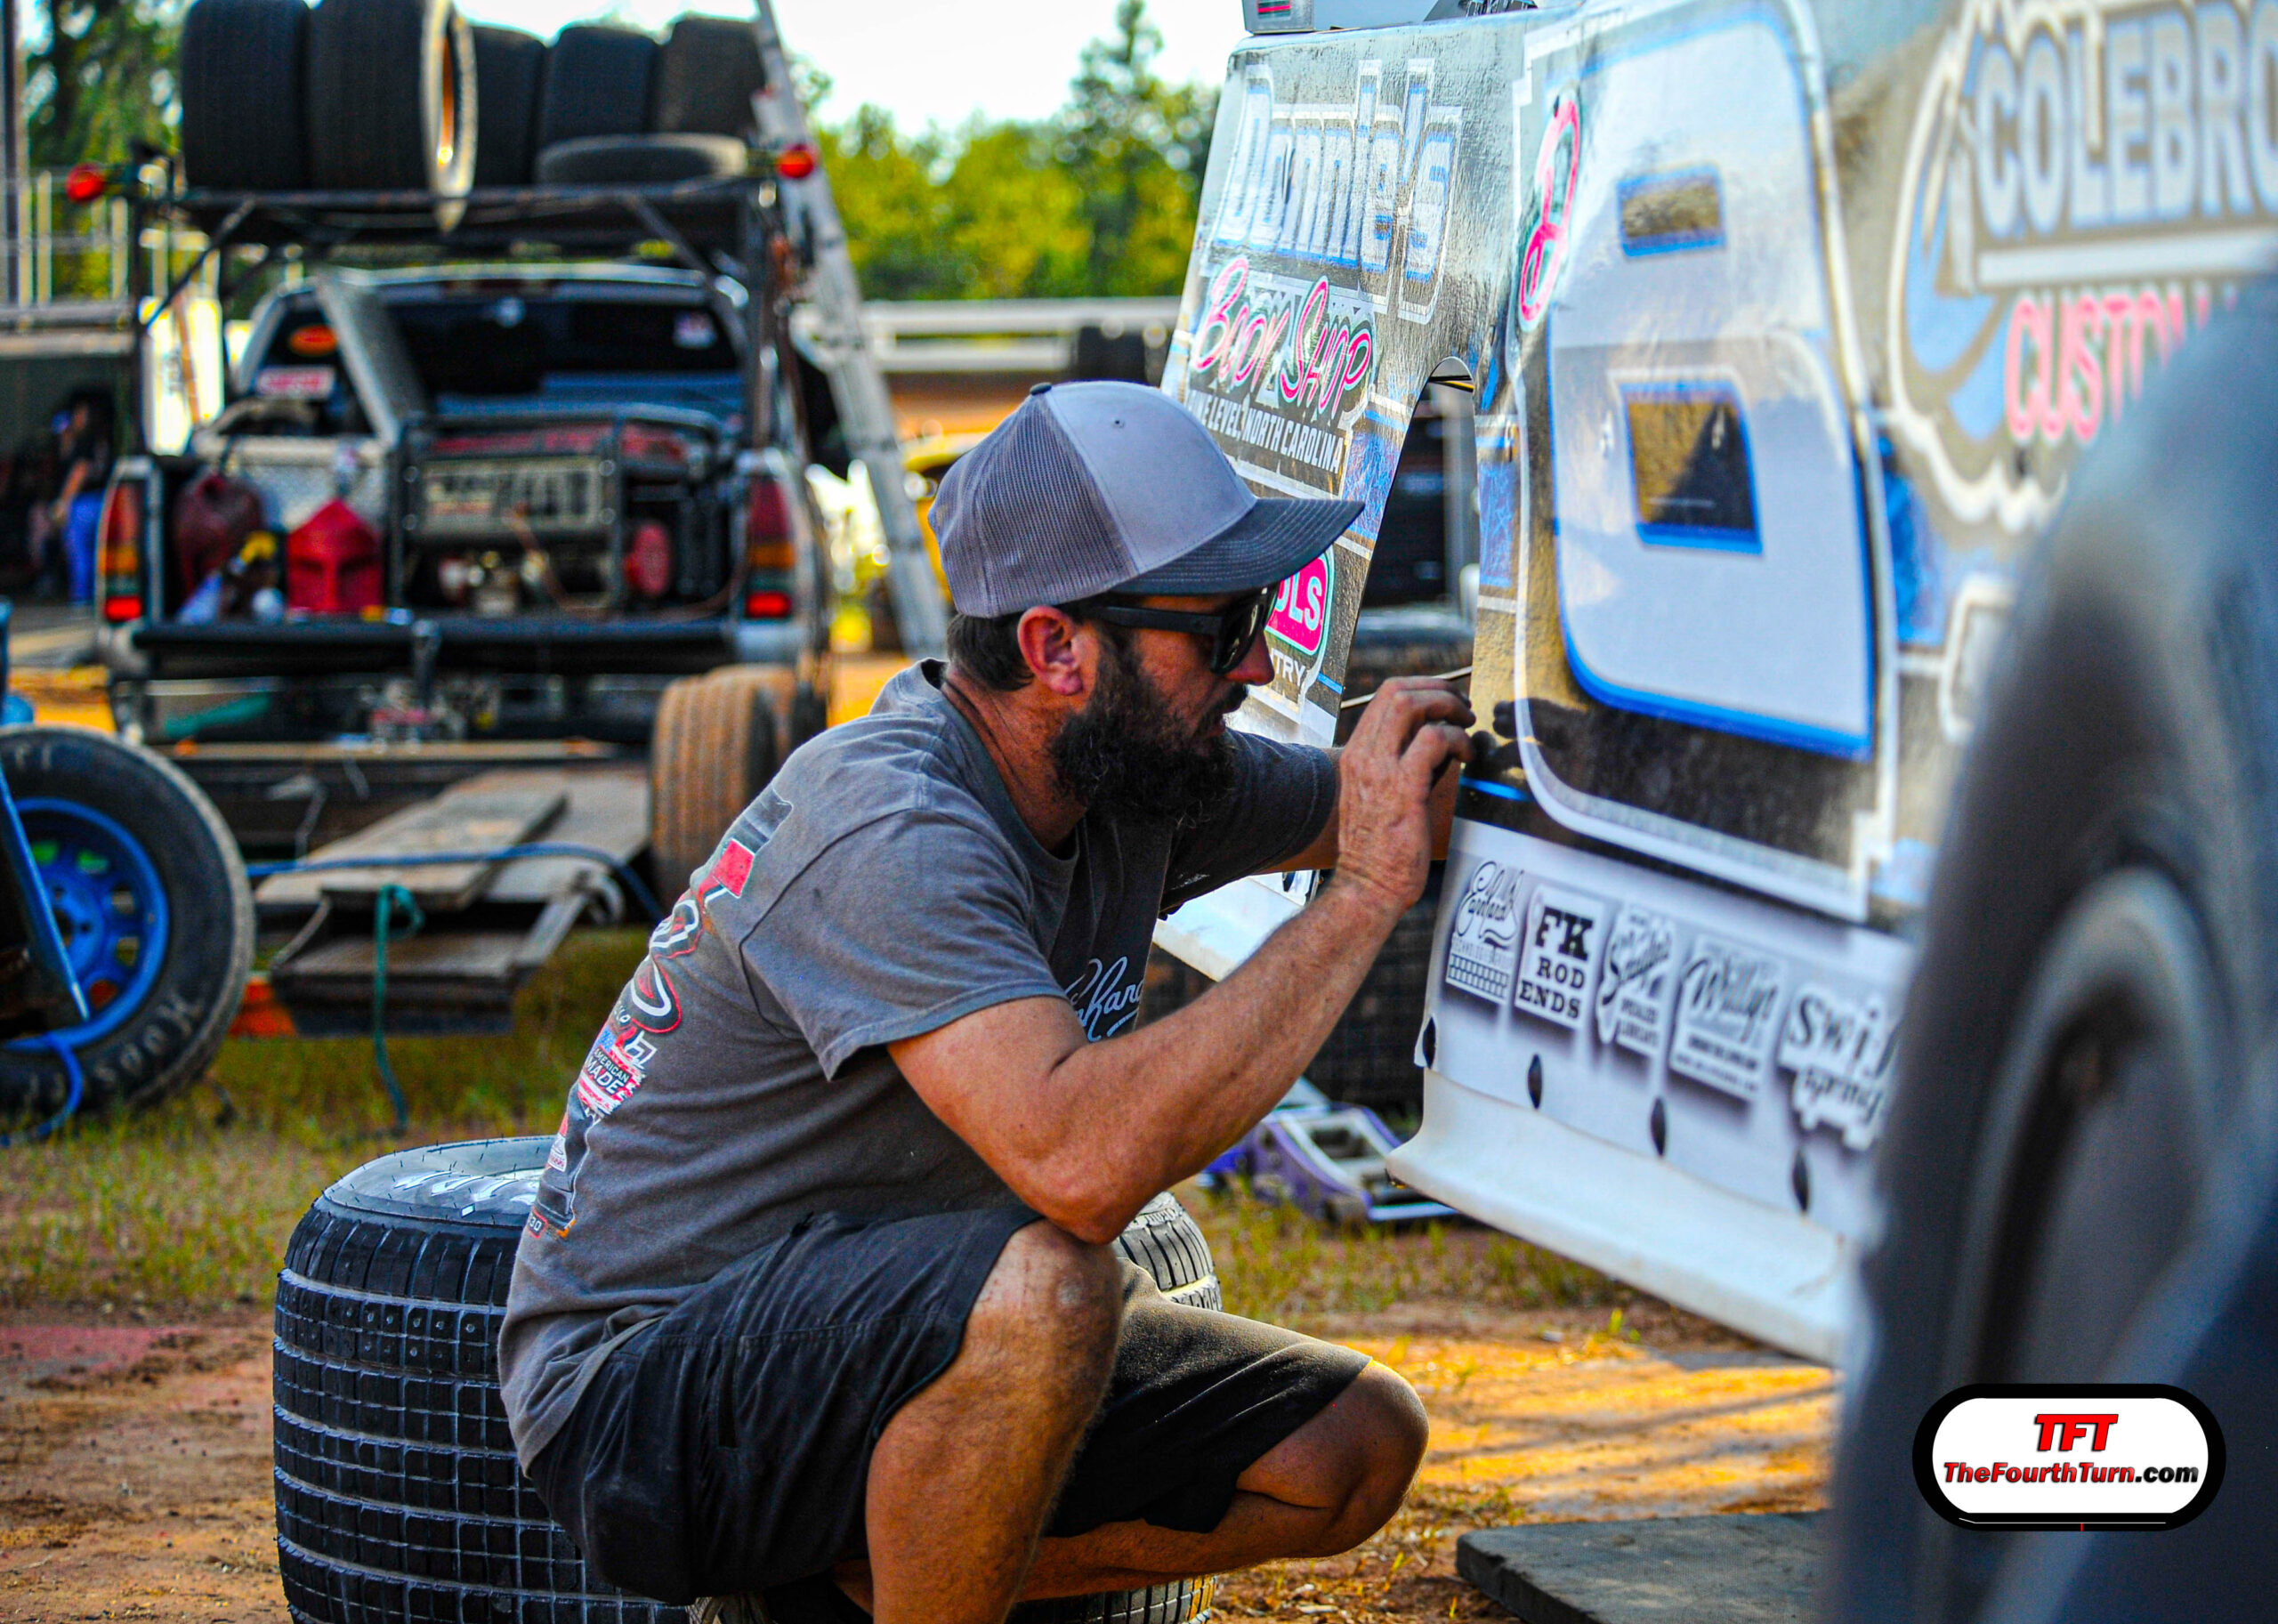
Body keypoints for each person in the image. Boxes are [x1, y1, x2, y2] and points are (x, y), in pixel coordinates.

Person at [499, 381, 1474, 1624]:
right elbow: (1081, 1165)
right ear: (1057, 648)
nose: (1259, 663)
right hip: (642, 1393)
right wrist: (1363, 897)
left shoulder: (1128, 771)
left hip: (886, 1325)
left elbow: (1390, 798)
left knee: (1352, 1446)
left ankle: (869, 1573)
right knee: (1054, 1282)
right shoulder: (893, 825)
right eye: (1223, 624)